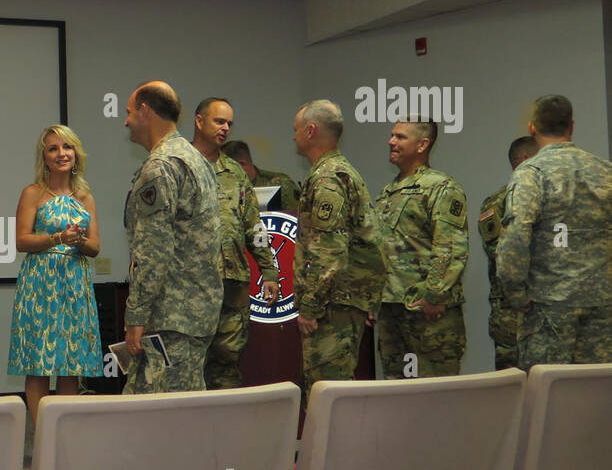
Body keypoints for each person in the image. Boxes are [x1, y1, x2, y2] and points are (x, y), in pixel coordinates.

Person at [497, 95, 612, 369]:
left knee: (549, 397)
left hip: (549, 310)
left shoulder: (531, 173)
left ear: (532, 128)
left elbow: (515, 237)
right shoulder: (605, 171)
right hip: (603, 307)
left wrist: (515, 294)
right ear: (571, 127)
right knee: (598, 397)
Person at [122, 82, 221, 393]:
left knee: (156, 419)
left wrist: (136, 315)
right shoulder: (194, 158)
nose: (126, 121)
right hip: (195, 313)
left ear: (145, 111)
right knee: (186, 414)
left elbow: (153, 250)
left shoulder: (161, 166)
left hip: (170, 318)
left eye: (128, 112)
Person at [292, 100, 385, 404]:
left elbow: (328, 253)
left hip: (333, 306)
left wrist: (310, 306)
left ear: (311, 130)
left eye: (296, 130)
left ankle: (336, 454)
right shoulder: (340, 171)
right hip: (342, 302)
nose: (293, 137)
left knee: (327, 396)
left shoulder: (327, 177)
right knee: (336, 393)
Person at [8, 125, 101, 421]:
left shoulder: (86, 197)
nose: (62, 153)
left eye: (67, 147)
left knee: (70, 364)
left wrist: (79, 241)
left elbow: (95, 247)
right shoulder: (33, 193)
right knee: (38, 365)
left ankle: (62, 436)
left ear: (76, 153)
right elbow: (22, 241)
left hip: (74, 283)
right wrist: (58, 238)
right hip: (40, 285)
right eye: (53, 149)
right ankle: (42, 438)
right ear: (44, 158)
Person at [192, 99, 280, 389]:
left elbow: (253, 225)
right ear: (199, 121)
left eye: (229, 123)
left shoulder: (235, 171)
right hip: (192, 284)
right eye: (219, 121)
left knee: (228, 362)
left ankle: (225, 429)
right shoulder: (181, 166)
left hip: (233, 283)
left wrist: (269, 271)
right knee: (190, 363)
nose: (225, 128)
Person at [374, 121, 469, 379]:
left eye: (400, 137)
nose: (391, 141)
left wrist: (436, 294)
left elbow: (450, 246)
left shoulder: (441, 187)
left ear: (422, 145)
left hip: (427, 314)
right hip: (392, 309)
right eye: (392, 135)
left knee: (434, 393)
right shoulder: (388, 193)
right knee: (398, 393)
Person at [478, 135, 537, 369]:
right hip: (512, 312)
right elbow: (500, 252)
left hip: (549, 310)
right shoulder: (497, 203)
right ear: (525, 159)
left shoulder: (548, 198)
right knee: (514, 385)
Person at [223, 139, 300, 213]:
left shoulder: (280, 183)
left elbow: (296, 219)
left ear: (242, 164)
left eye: (226, 169)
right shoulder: (224, 189)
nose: (223, 174)